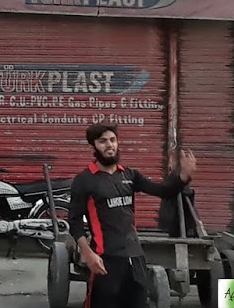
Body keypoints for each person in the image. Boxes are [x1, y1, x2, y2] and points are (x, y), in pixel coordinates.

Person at [68, 123, 195, 308]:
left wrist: (183, 178)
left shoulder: (130, 175)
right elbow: (74, 221)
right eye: (103, 141)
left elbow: (163, 191)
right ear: (93, 147)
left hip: (135, 258)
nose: (109, 145)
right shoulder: (84, 180)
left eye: (113, 140)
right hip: (105, 260)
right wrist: (88, 254)